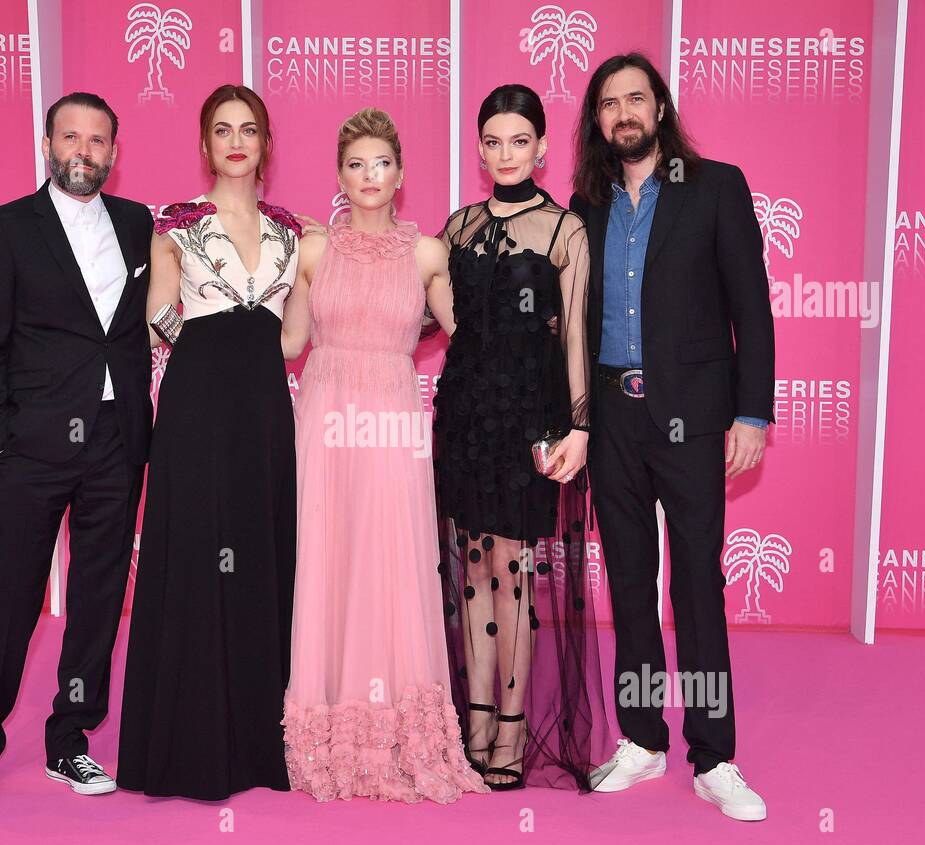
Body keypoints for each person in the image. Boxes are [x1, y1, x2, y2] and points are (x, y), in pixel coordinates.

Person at [570, 53, 774, 821]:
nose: (623, 113)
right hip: (614, 420)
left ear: (659, 107)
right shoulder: (584, 204)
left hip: (691, 416)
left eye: (635, 99)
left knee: (695, 585)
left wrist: (752, 414)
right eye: (609, 104)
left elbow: (750, 308)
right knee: (628, 584)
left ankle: (715, 756)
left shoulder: (714, 187)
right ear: (597, 121)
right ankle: (643, 738)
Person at [279, 108, 489, 803]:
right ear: (340, 176)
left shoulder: (427, 252)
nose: (370, 177)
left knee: (392, 562)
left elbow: (468, 332)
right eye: (356, 165)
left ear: (400, 173)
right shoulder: (313, 249)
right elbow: (286, 344)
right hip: (326, 416)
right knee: (328, 559)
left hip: (394, 422)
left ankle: (404, 733)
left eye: (382, 164)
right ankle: (326, 727)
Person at [0, 92, 153, 805]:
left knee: (98, 600)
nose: (83, 151)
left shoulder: (136, 224)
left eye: (97, 141)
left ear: (113, 155)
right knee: (10, 599)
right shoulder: (4, 228)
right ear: (48, 143)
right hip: (33, 444)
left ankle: (69, 741)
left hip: (116, 439)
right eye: (71, 136)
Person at [116, 85, 301, 801]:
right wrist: (209, 340)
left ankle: (259, 745)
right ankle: (188, 749)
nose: (235, 141)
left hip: (263, 406)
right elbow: (160, 315)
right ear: (204, 144)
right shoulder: (175, 226)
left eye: (248, 129)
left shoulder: (294, 232)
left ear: (264, 144)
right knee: (196, 553)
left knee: (258, 553)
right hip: (196, 403)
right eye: (221, 129)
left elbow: (294, 336)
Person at [433, 84, 605, 791]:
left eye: (519, 140)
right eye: (493, 141)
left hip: (527, 419)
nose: (506, 153)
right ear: (480, 150)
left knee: (512, 577)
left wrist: (580, 425)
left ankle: (508, 740)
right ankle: (473, 728)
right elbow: (426, 315)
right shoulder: (457, 226)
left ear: (539, 147)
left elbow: (573, 346)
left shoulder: (565, 232)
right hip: (465, 416)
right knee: (470, 573)